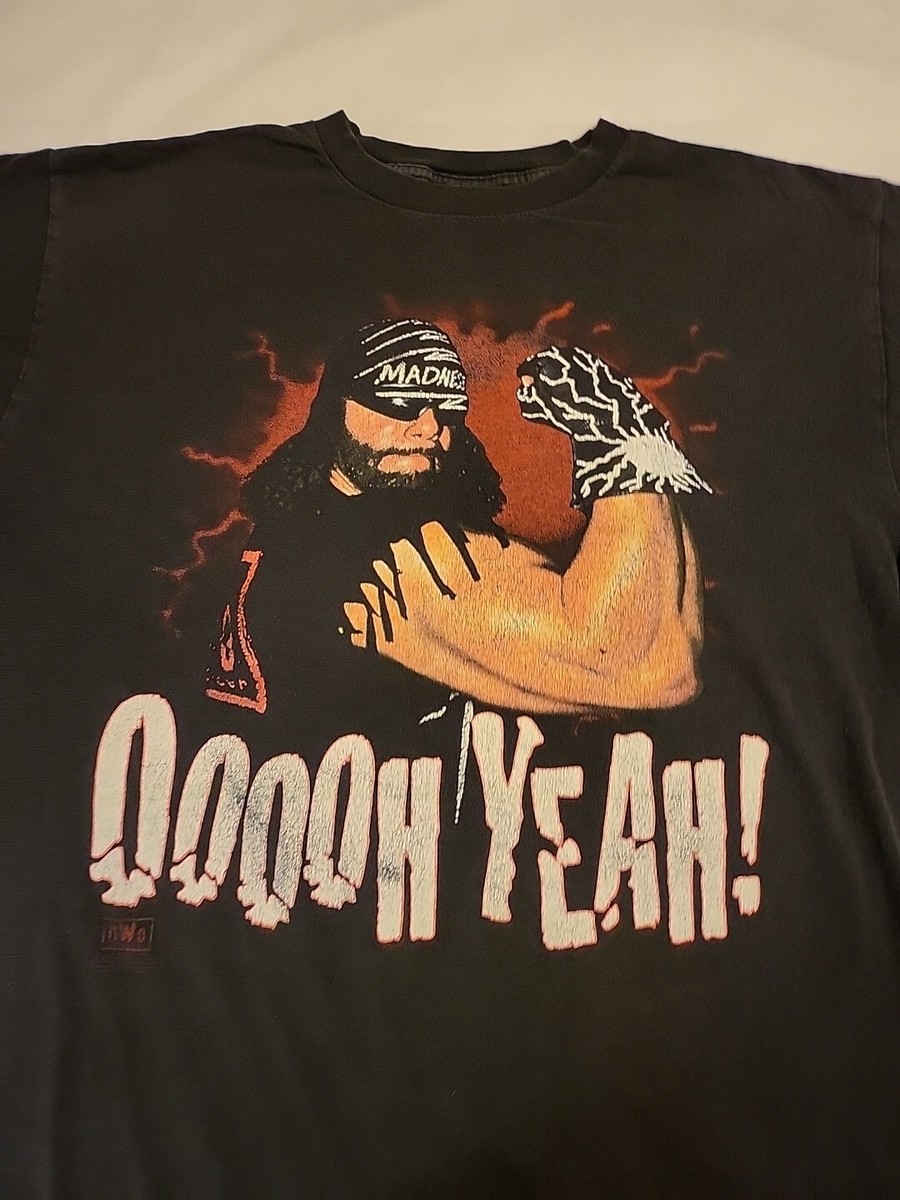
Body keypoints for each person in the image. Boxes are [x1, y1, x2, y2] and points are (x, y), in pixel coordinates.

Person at [202, 316, 711, 797]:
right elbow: (635, 665)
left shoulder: (300, 525)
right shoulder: (388, 557)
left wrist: (642, 454)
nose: (429, 427)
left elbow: (672, 657)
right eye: (401, 402)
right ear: (338, 409)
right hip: (356, 846)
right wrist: (623, 445)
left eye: (446, 409)